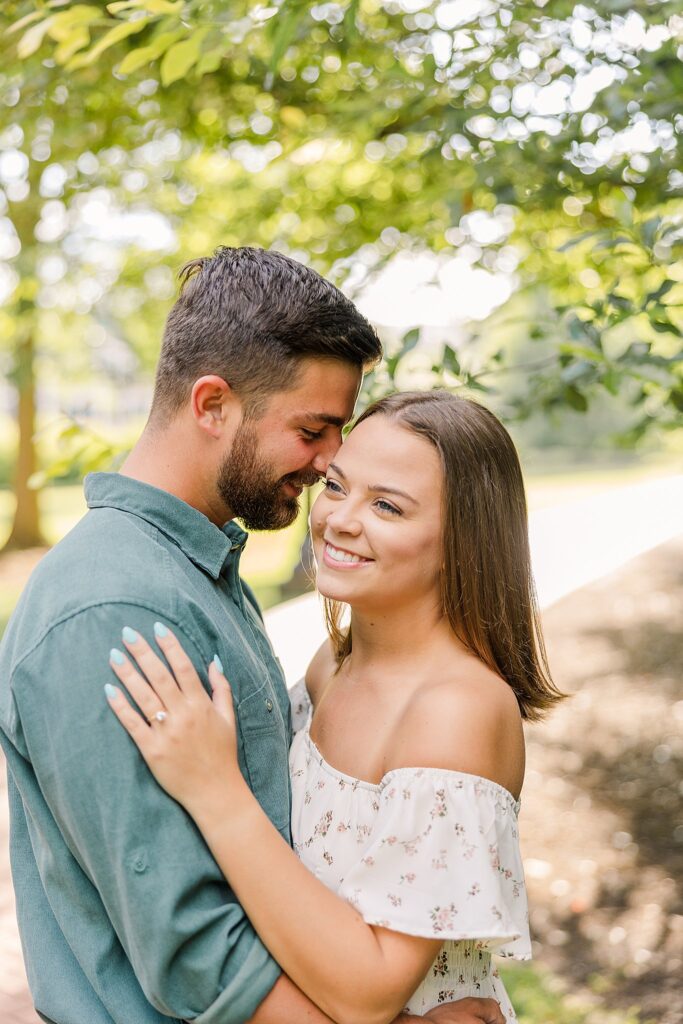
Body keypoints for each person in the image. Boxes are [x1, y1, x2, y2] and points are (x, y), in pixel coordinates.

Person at [0, 248, 504, 1024]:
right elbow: (200, 956)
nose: (331, 464)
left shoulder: (196, 568)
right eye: (313, 430)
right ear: (212, 405)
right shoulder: (116, 608)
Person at [104, 390, 566, 1023]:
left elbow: (369, 991)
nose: (340, 519)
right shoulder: (334, 663)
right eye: (338, 486)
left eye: (386, 506)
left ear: (465, 538)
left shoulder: (455, 709)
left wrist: (213, 787)